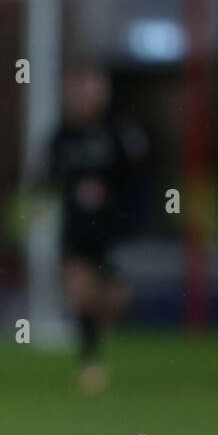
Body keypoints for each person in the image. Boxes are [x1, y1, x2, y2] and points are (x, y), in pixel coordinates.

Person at [47, 65, 147, 393]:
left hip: (114, 231)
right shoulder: (62, 135)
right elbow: (49, 178)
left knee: (115, 300)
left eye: (92, 89)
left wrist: (115, 202)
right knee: (80, 292)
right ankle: (91, 361)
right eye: (78, 89)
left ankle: (102, 342)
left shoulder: (119, 132)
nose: (84, 97)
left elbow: (139, 181)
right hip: (77, 231)